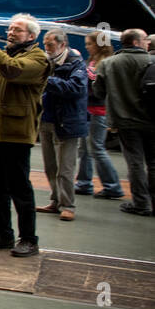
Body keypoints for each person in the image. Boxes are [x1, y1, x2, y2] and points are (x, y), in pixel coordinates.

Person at [0, 14, 50, 256]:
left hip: (16, 135)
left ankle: (29, 239)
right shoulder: (3, 58)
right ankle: (3, 233)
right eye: (10, 29)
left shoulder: (38, 59)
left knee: (20, 188)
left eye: (18, 30)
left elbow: (12, 72)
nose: (11, 33)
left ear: (32, 36)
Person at [95, 28, 155, 216]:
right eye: (146, 40)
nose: (148, 43)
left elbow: (98, 91)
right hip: (151, 119)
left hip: (124, 120)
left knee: (135, 162)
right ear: (137, 42)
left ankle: (140, 203)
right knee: (153, 162)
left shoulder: (108, 63)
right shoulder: (151, 61)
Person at [36, 28, 88, 221]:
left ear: (62, 44)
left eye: (50, 44)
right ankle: (56, 200)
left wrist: (47, 81)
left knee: (65, 168)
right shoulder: (46, 62)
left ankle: (68, 206)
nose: (46, 48)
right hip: (47, 120)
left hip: (67, 123)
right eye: (45, 44)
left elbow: (76, 88)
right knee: (50, 166)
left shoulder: (76, 64)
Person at [74, 31, 125, 200]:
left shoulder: (104, 64)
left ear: (98, 45)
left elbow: (101, 90)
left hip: (97, 111)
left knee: (96, 148)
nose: (87, 47)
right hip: (89, 110)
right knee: (85, 149)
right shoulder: (95, 62)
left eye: (89, 44)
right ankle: (83, 182)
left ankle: (112, 186)